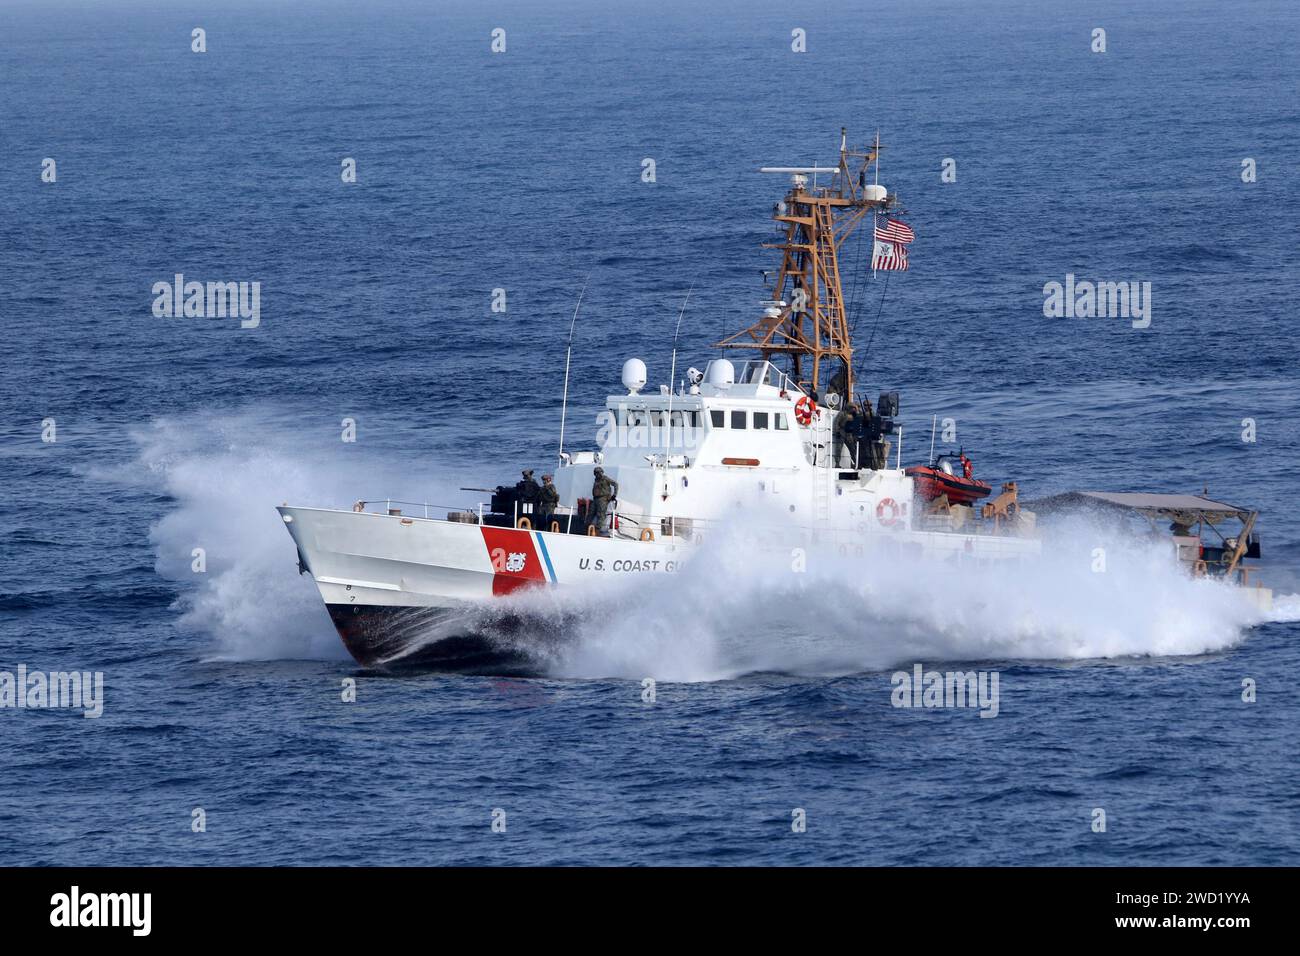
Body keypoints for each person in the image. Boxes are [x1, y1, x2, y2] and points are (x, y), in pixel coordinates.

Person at [590, 466, 619, 536]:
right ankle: (589, 528)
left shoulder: (605, 479)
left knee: (601, 515)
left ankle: (597, 531)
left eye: (598, 472)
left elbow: (615, 484)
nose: (597, 474)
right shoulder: (596, 480)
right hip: (595, 499)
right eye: (596, 473)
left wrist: (614, 495)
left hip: (603, 499)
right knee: (591, 514)